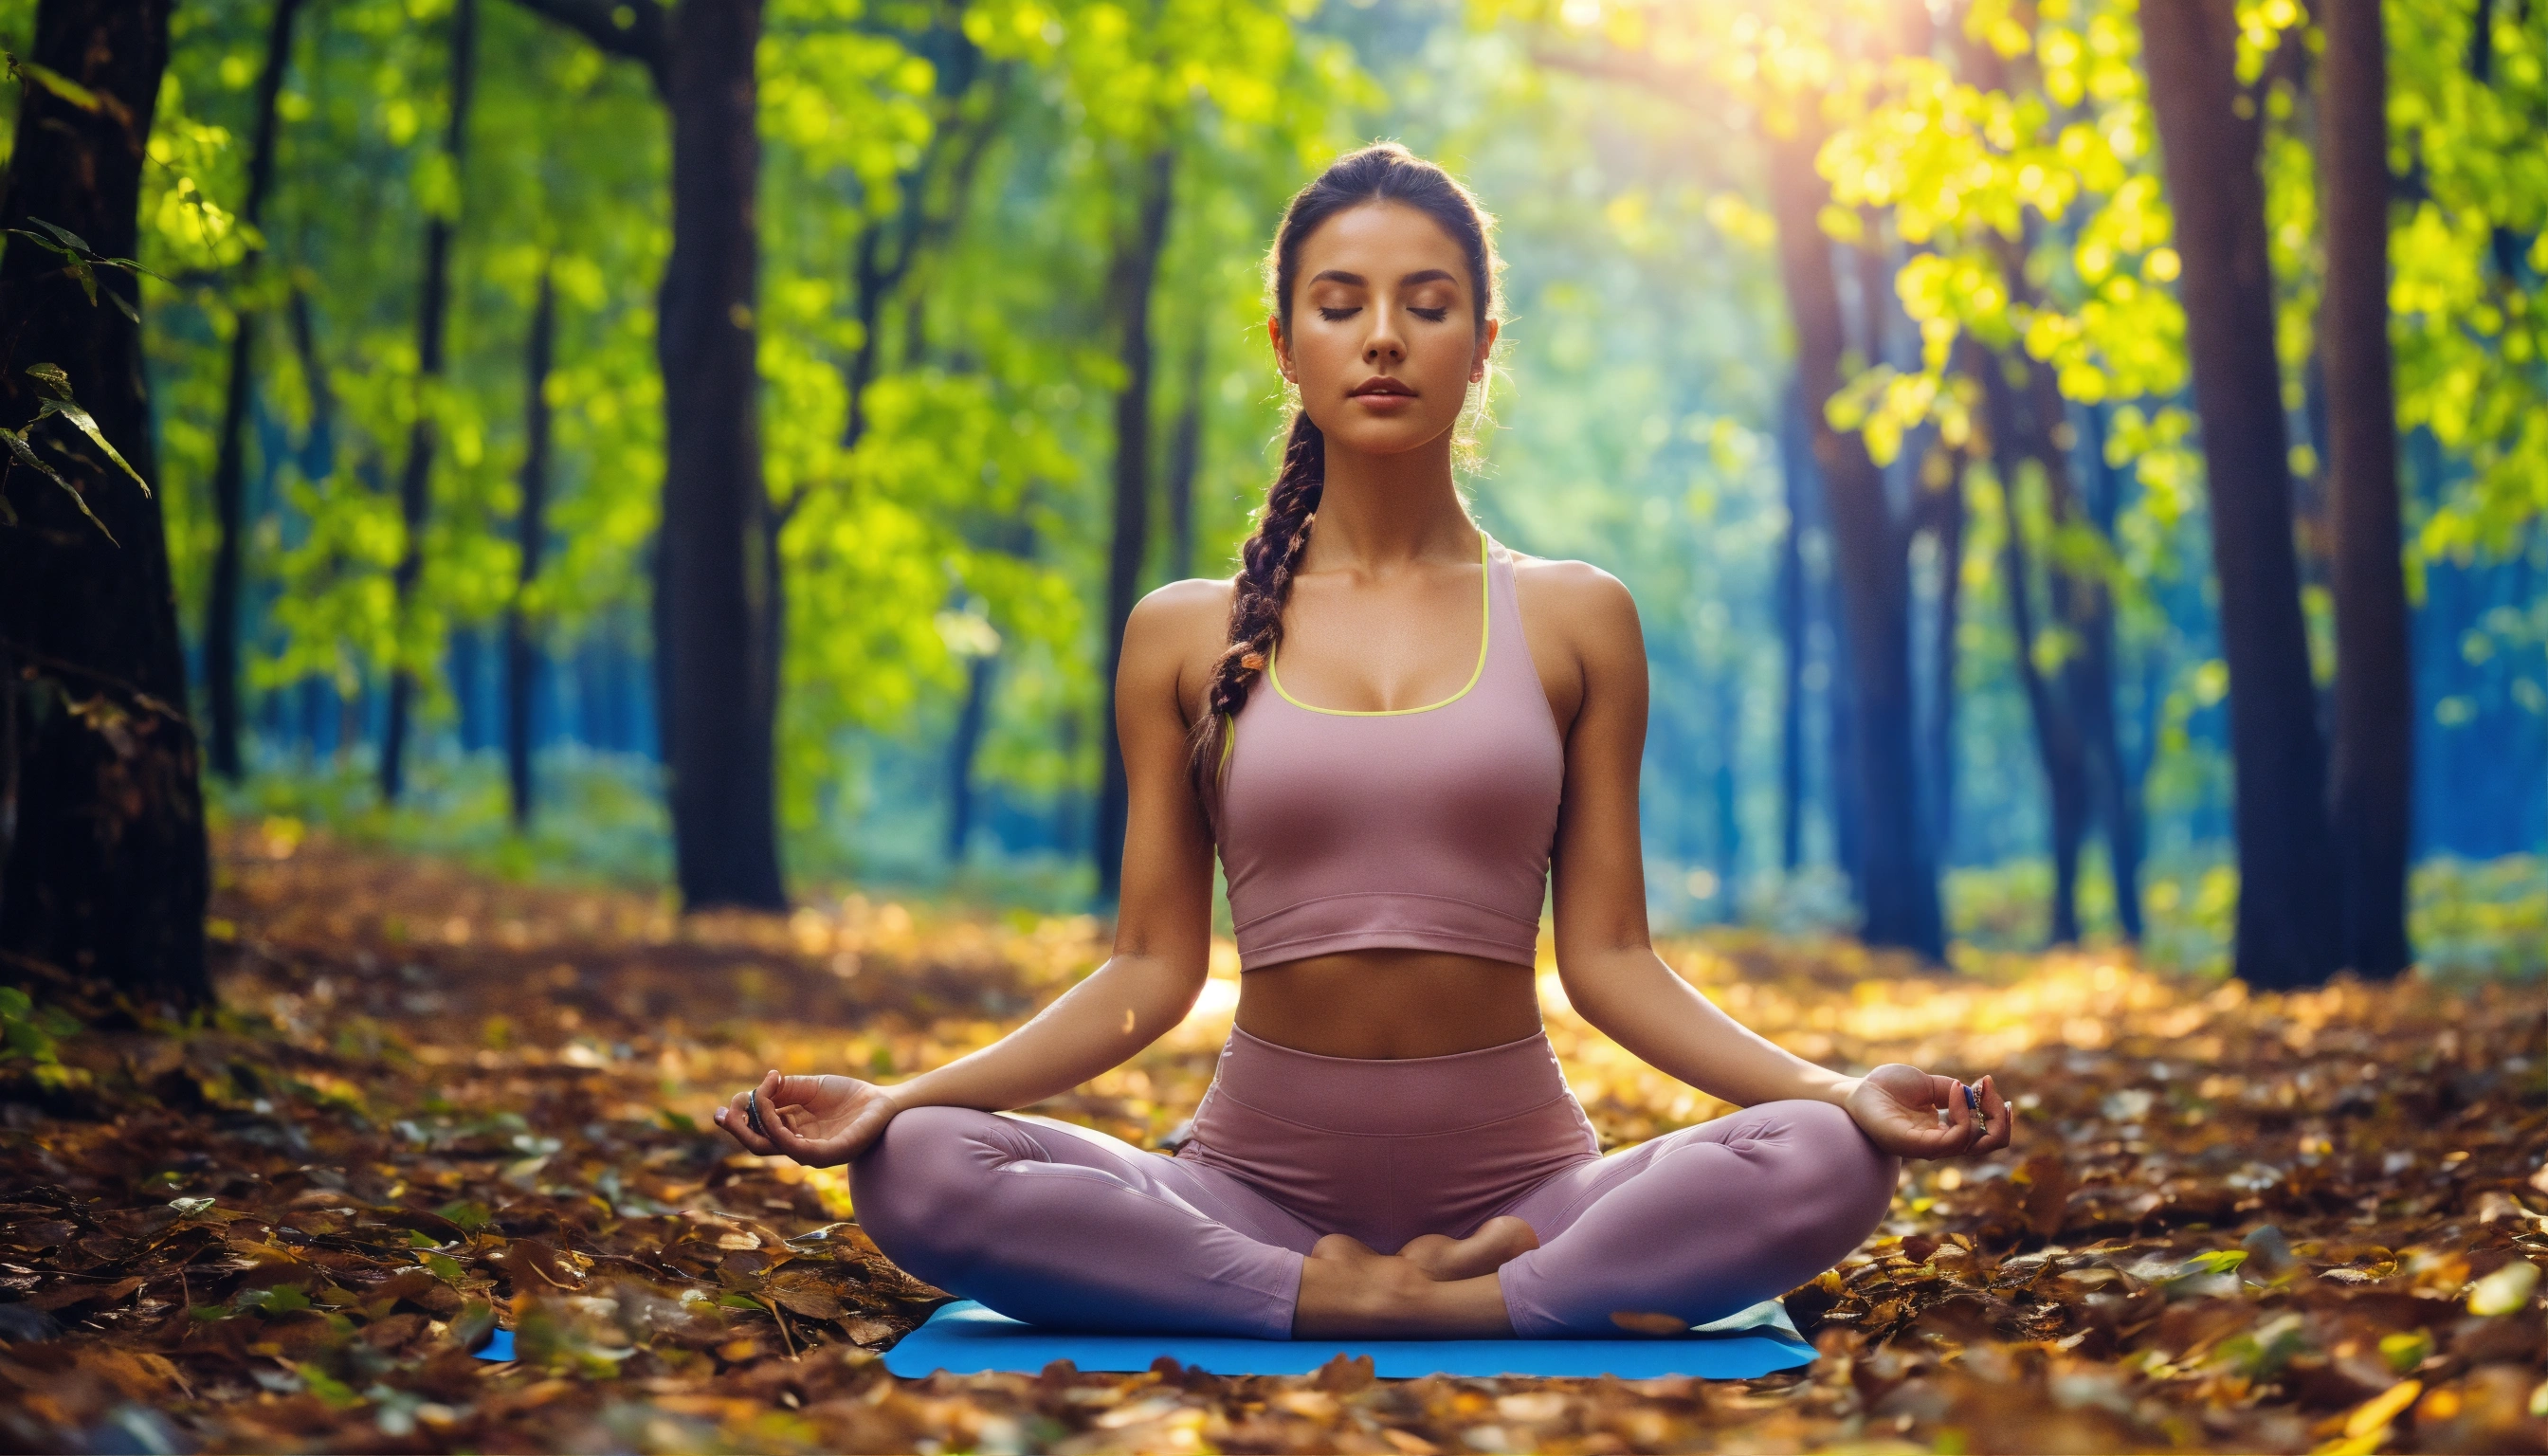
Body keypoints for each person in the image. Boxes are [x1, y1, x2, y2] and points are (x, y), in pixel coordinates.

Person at [716, 141, 2014, 1341]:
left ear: (1483, 342)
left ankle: (1440, 1303)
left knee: (1831, 1157)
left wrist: (1837, 1090)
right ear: (1286, 344)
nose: (1383, 338)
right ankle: (1347, 1293)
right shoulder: (1182, 635)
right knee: (922, 1165)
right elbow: (1147, 972)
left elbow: (1614, 962)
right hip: (1246, 1195)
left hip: (1533, 1198)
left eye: (1428, 305)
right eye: (1341, 305)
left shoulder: (1577, 617)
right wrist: (904, 1096)